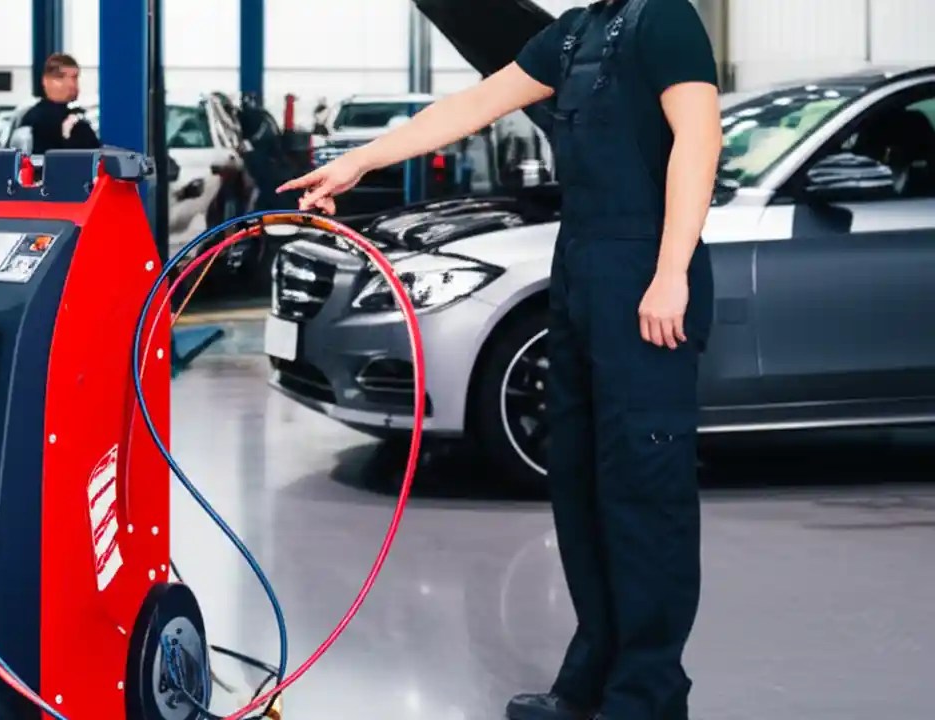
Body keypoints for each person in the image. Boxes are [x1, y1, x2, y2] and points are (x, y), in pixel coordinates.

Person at [277, 1, 721, 719]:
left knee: (645, 496)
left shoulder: (665, 18)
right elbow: (476, 103)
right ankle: (593, 677)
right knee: (580, 490)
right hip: (578, 269)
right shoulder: (575, 31)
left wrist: (672, 270)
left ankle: (647, 696)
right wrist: (358, 160)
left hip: (643, 271)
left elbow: (700, 141)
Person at [18, 53, 101, 153]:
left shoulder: (75, 116)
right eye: (61, 77)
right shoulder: (41, 119)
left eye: (74, 78)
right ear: (46, 81)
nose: (70, 84)